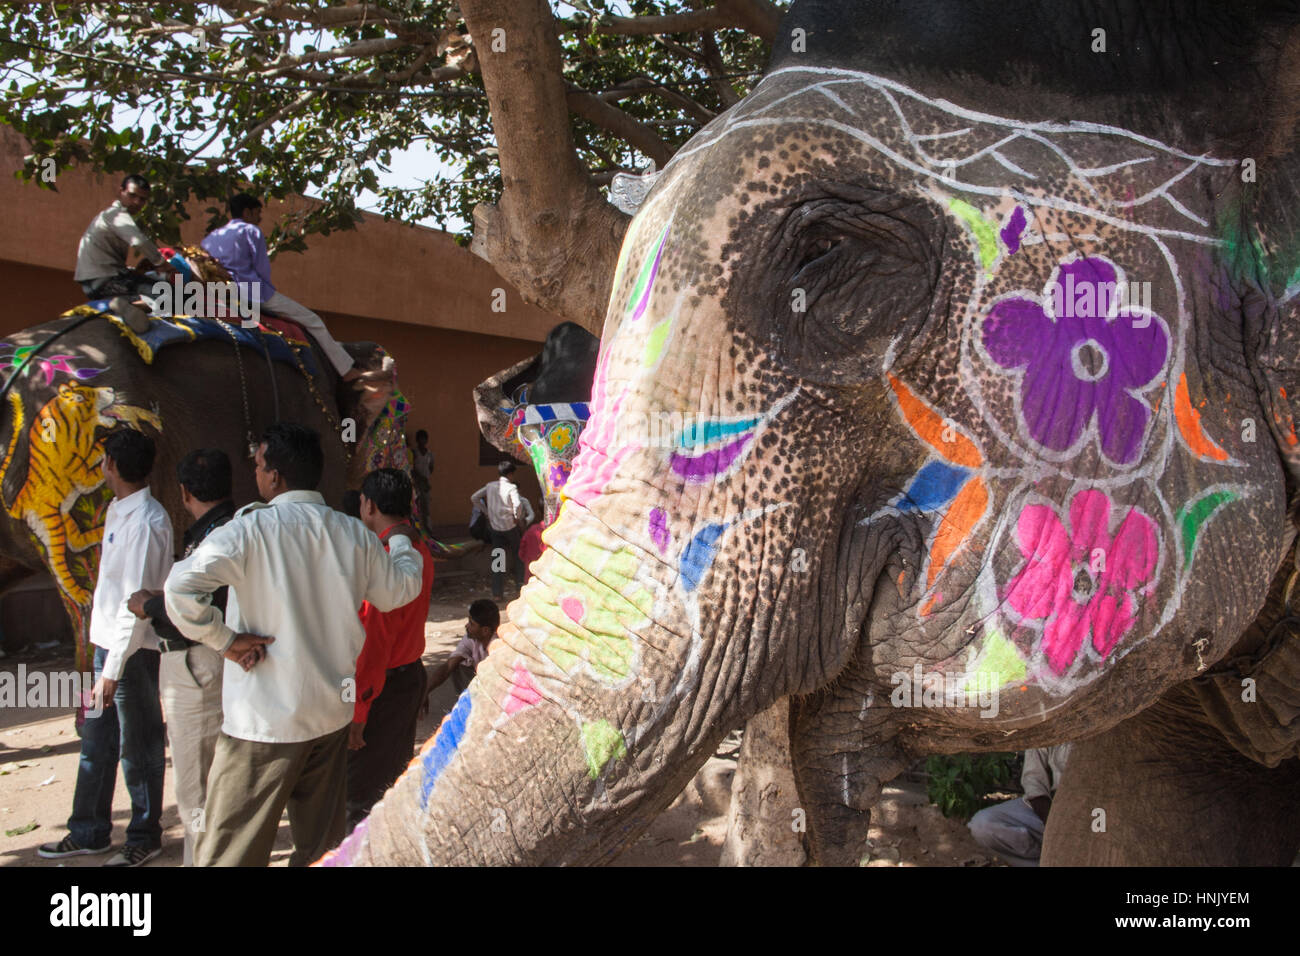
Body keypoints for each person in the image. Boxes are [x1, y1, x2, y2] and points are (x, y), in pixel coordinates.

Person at [163, 423, 424, 867]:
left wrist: (224, 640)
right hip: (329, 716)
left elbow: (178, 590)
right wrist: (400, 539)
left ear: (275, 476)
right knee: (320, 846)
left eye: (260, 466)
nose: (257, 474)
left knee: (231, 850)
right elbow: (399, 590)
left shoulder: (249, 530)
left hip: (262, 723)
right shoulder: (353, 535)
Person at [38, 429, 173, 867]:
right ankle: (89, 830)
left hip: (129, 655)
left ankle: (144, 834)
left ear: (111, 465)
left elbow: (136, 606)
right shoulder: (120, 510)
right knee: (96, 740)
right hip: (107, 651)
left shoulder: (148, 521)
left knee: (141, 746)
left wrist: (111, 671)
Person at [124, 449, 236, 867]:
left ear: (184, 491)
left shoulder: (215, 537)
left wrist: (151, 608)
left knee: (195, 788)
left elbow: (203, 613)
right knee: (210, 782)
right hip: (208, 664)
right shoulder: (226, 529)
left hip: (198, 666)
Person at [346, 468, 436, 829]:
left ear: (368, 505)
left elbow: (374, 643)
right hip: (408, 677)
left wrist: (358, 712)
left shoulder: (383, 561)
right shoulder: (419, 551)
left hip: (381, 688)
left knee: (359, 796)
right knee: (389, 783)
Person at [200, 193, 359, 380]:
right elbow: (262, 269)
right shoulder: (252, 231)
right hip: (251, 291)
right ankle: (347, 371)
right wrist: (269, 292)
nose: (260, 218)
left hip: (217, 293)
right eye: (258, 212)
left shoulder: (210, 238)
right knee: (312, 320)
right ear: (247, 212)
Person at [74, 174, 176, 300]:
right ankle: (129, 307)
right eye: (132, 195)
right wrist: (162, 263)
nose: (137, 202)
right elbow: (139, 242)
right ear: (121, 191)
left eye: (142, 199)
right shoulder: (116, 214)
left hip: (99, 280)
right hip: (105, 281)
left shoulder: (111, 216)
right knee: (171, 297)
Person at [968, 744, 1072, 867]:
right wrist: (1053, 826)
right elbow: (1033, 780)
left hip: (1093, 817)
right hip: (1052, 811)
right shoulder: (1050, 728)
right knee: (982, 824)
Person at [471, 461, 527, 598]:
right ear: (510, 474)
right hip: (510, 527)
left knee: (498, 560)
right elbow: (518, 504)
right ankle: (520, 586)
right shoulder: (511, 487)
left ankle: (497, 593)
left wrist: (487, 512)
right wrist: (516, 517)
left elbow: (474, 498)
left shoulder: (490, 486)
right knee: (518, 556)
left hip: (495, 529)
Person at [425, 599, 499, 697]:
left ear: (485, 630)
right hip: (483, 686)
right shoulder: (471, 639)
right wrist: (425, 691)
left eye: (471, 624)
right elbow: (448, 667)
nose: (466, 626)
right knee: (457, 664)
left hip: (497, 690)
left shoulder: (499, 646)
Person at [411, 430, 434, 532]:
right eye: (421, 438)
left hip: (425, 483)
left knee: (426, 508)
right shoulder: (414, 452)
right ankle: (418, 530)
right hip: (416, 483)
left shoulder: (429, 454)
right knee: (416, 508)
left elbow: (431, 467)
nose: (423, 441)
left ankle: (428, 530)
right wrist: (419, 478)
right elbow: (412, 468)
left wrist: (425, 478)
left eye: (424, 439)